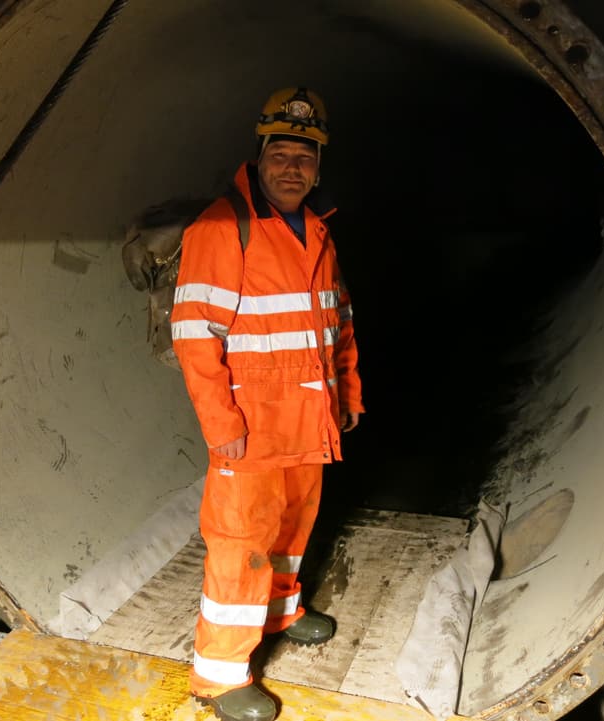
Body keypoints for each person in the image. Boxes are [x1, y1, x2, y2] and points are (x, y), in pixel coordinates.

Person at [170, 86, 364, 721]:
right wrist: (220, 424)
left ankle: (282, 608)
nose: (291, 169)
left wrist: (348, 393)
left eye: (303, 158)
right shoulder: (223, 229)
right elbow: (195, 334)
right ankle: (220, 675)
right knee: (240, 542)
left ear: (318, 166)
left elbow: (338, 323)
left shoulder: (319, 232)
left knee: (292, 527)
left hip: (307, 419)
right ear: (258, 158)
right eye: (279, 154)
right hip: (252, 428)